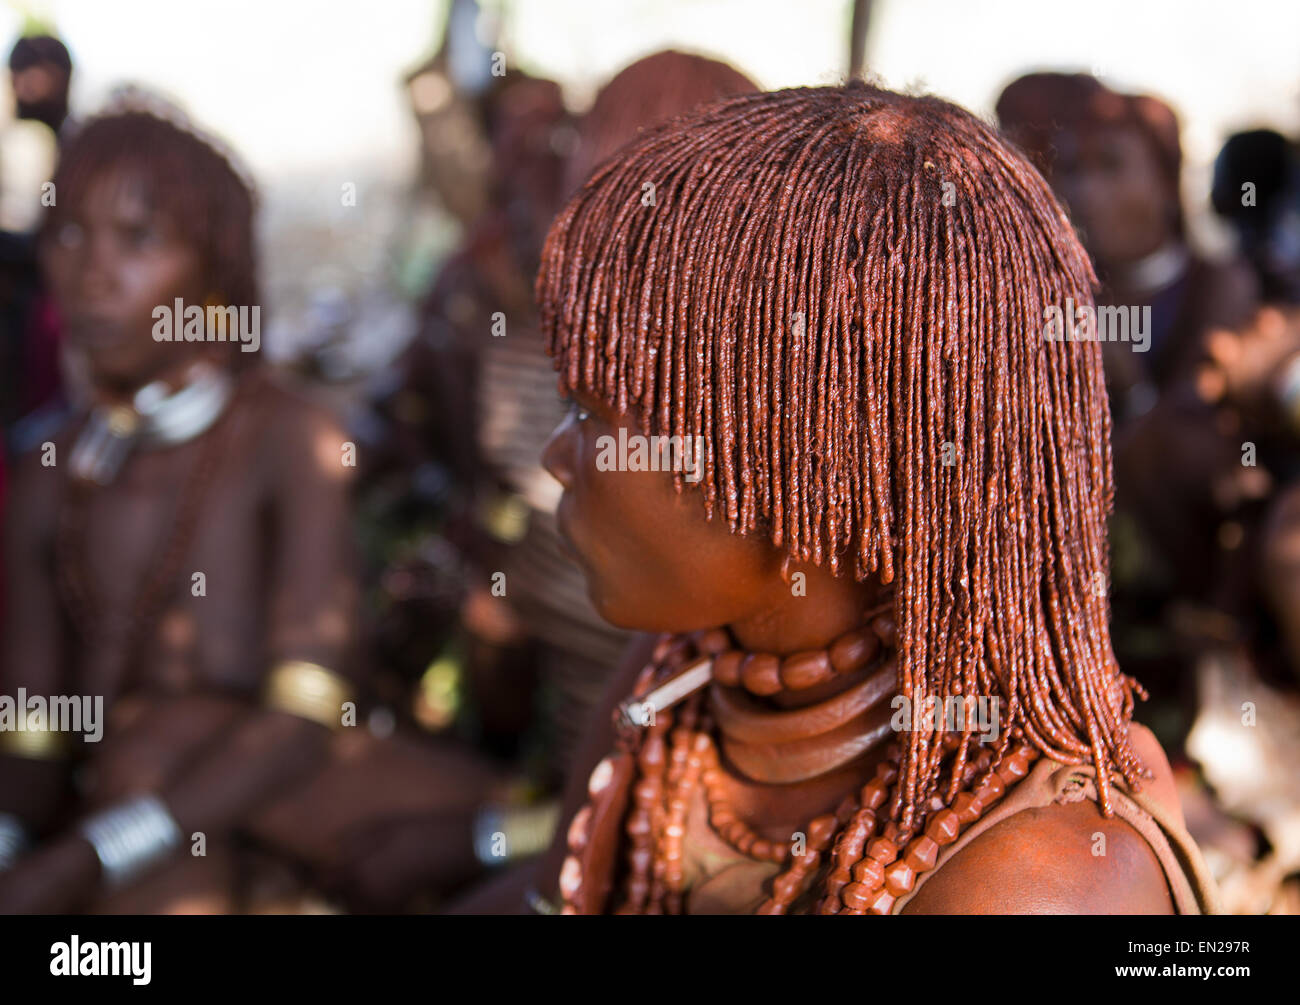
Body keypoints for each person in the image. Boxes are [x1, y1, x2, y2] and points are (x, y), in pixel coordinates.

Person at [504, 82, 1218, 914]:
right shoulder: (682, 677)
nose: (558, 456)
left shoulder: (1042, 878)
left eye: (594, 414)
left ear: (792, 461)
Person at [0, 103, 494, 913]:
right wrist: (12, 844)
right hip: (148, 809)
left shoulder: (290, 441)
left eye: (139, 239)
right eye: (68, 235)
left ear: (216, 273)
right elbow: (34, 723)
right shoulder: (51, 468)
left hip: (297, 790)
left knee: (155, 750)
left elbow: (305, 719)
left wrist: (90, 858)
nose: (93, 273)